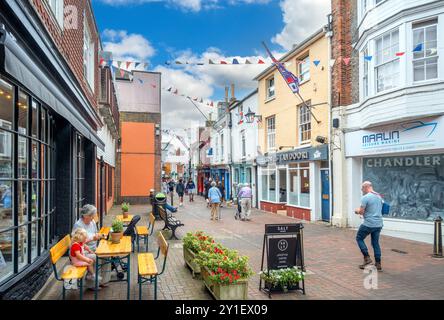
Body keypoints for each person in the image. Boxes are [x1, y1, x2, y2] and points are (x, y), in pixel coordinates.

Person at [72, 204, 110, 288]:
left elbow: (95, 233)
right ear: (85, 216)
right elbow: (77, 243)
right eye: (91, 216)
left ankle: (103, 280)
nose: (93, 218)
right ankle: (92, 284)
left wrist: (100, 235)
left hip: (93, 247)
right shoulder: (78, 225)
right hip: (82, 251)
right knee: (97, 257)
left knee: (107, 255)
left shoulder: (92, 222)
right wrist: (93, 238)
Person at [354, 181, 384, 271]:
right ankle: (378, 264)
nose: (361, 190)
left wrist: (356, 211)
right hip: (378, 223)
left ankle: (367, 258)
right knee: (375, 243)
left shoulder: (365, 197)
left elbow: (361, 211)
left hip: (369, 223)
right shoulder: (379, 196)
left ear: (366, 187)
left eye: (362, 188)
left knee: (359, 238)